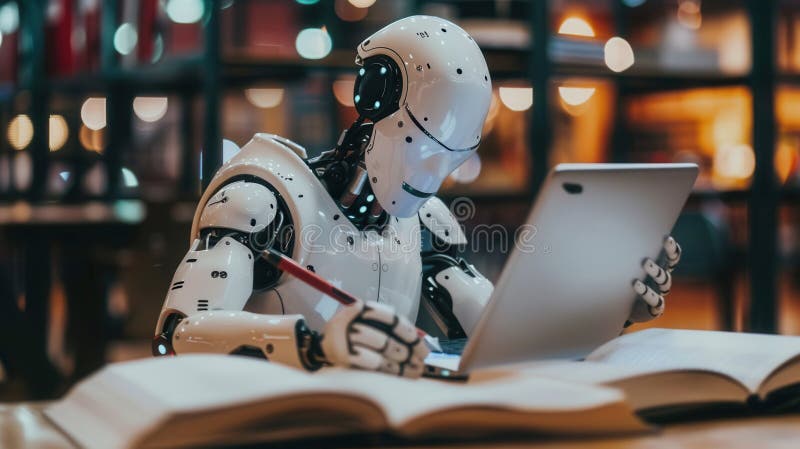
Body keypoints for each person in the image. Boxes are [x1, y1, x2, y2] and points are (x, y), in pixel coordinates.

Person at [152, 16, 680, 378]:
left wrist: (603, 306)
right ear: (374, 105)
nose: (434, 180)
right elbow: (177, 334)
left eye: (453, 161)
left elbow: (496, 335)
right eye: (426, 153)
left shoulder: (424, 222)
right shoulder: (262, 201)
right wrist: (316, 345)